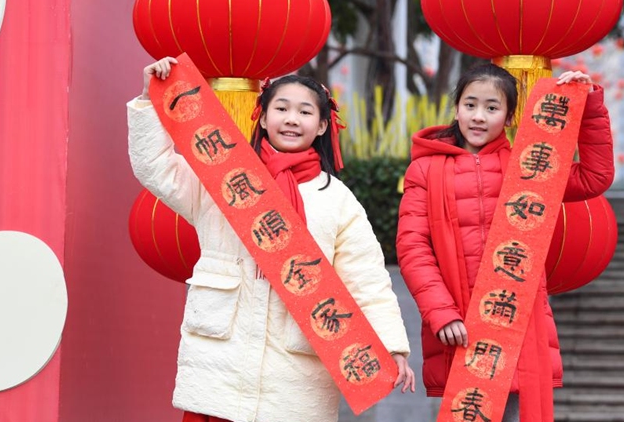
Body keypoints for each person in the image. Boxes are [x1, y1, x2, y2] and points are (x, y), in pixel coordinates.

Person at [128, 57, 414, 422]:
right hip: (221, 365)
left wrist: (391, 346)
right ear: (262, 118)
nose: (292, 119)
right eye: (281, 108)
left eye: (305, 112)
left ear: (324, 125)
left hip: (295, 375)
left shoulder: (337, 199)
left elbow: (367, 279)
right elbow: (156, 167)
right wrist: (147, 98)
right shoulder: (225, 177)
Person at [396, 64, 614, 422]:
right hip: (460, 326)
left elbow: (594, 177)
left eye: (491, 108)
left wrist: (587, 106)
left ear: (510, 116)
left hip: (518, 324)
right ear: (456, 109)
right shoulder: (425, 170)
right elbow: (413, 247)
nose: (479, 117)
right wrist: (441, 312)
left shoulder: (528, 166)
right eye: (470, 105)